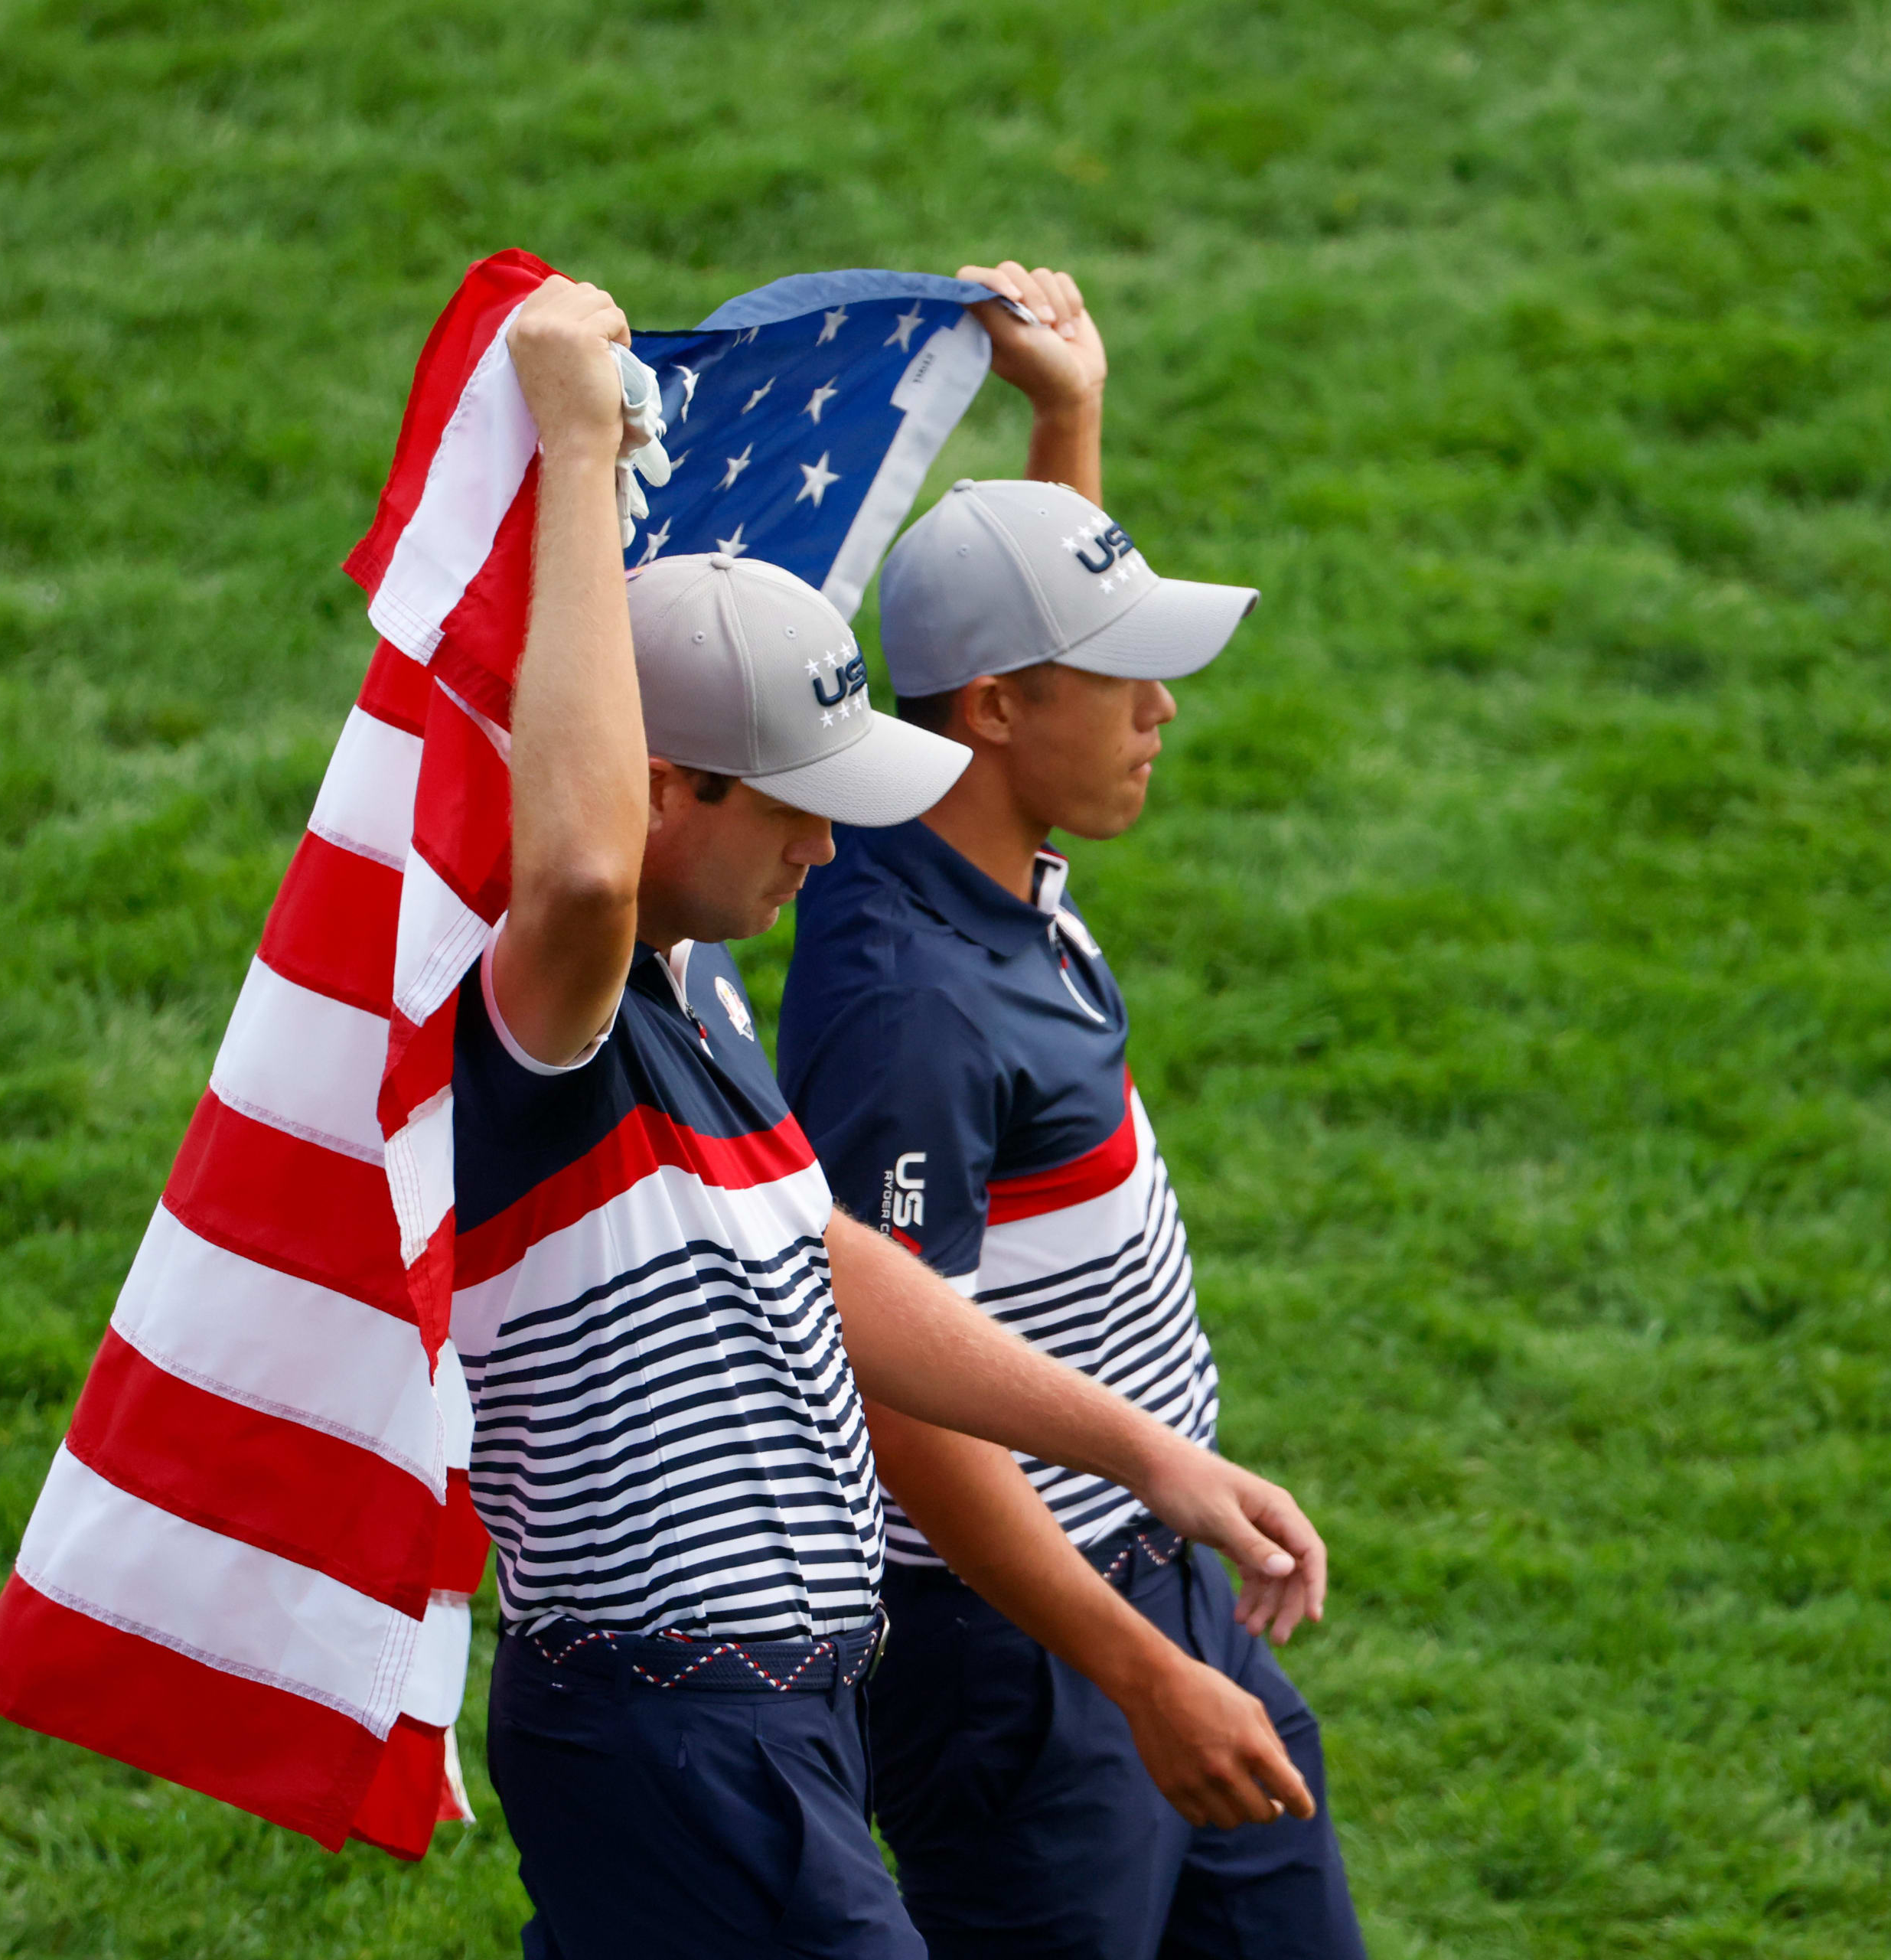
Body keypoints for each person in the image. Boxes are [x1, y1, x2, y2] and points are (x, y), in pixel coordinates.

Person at [467, 274, 1329, 1959]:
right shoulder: (563, 1015)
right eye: (798, 810)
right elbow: (575, 861)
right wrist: (580, 443)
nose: (829, 849)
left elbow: (828, 1261)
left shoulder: (705, 978)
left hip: (785, 1705)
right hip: (681, 1727)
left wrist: (1149, 1451)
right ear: (667, 789)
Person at [778, 266, 1366, 1957]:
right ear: (996, 711)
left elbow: (1034, 647)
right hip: (1024, 1658)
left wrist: (1066, 419)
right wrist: (1137, 1673)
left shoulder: (950, 821)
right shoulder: (912, 1015)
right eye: (1123, 680)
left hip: (1150, 1562)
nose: (1162, 709)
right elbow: (896, 1393)